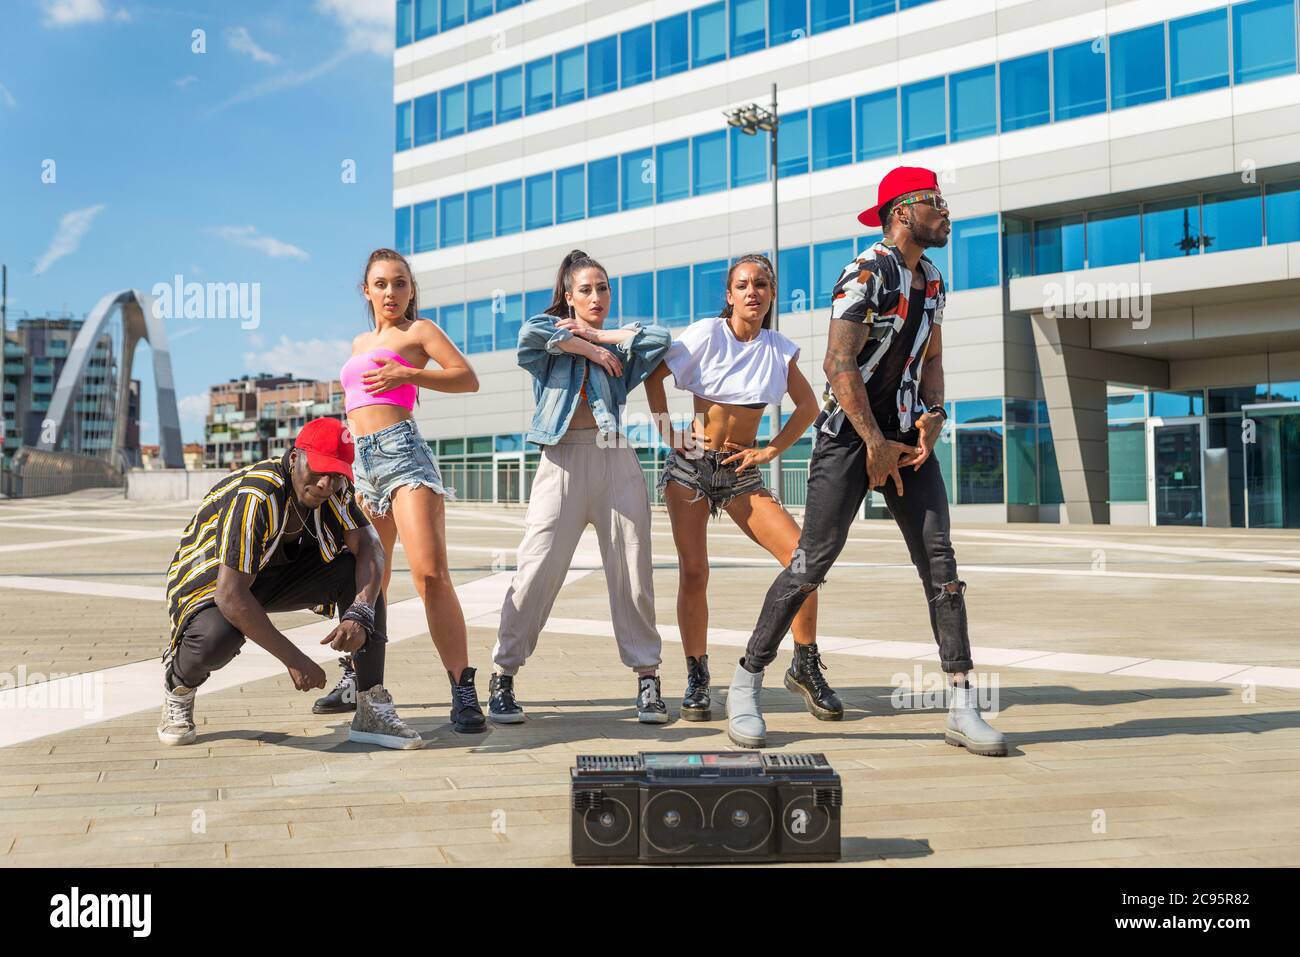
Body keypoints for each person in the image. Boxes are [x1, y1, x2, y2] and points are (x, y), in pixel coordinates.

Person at [728, 166, 1006, 756]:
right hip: (849, 438)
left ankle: (961, 704)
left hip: (907, 439)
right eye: (937, 202)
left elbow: (931, 356)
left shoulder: (932, 279)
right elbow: (837, 363)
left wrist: (933, 416)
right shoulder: (865, 272)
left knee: (940, 562)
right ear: (903, 211)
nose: (947, 212)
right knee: (811, 560)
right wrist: (873, 442)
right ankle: (746, 684)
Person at [643, 254, 831, 724]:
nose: (753, 292)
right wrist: (669, 433)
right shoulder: (707, 334)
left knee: (803, 561)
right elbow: (654, 376)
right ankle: (697, 677)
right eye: (743, 285)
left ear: (770, 294)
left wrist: (771, 450)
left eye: (762, 284)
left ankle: (804, 664)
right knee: (695, 573)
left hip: (741, 469)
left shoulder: (778, 349)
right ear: (729, 295)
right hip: (691, 466)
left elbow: (809, 406)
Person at [159, 417, 422, 750]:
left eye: (336, 475)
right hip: (215, 582)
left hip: (272, 574)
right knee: (217, 637)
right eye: (320, 470)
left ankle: (371, 706)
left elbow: (370, 546)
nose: (326, 484)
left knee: (359, 573)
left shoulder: (335, 489)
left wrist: (360, 611)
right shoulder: (260, 492)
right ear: (295, 456)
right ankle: (179, 685)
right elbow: (230, 596)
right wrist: (295, 659)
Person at [489, 249, 672, 724]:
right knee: (537, 568)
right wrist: (585, 347)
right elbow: (528, 334)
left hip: (615, 457)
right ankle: (503, 676)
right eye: (585, 290)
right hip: (561, 458)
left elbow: (660, 338)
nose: (596, 296)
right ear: (568, 297)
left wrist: (601, 337)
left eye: (603, 288)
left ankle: (647, 678)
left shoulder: (620, 343)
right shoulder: (552, 342)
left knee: (632, 568)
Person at [313, 248, 487, 734]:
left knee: (429, 574)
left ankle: (462, 688)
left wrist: (408, 373)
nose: (392, 292)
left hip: (402, 454)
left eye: (400, 283)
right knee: (370, 582)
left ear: (411, 289)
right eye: (382, 284)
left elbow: (467, 379)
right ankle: (356, 680)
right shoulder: (358, 341)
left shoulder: (420, 332)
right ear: (366, 290)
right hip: (361, 462)